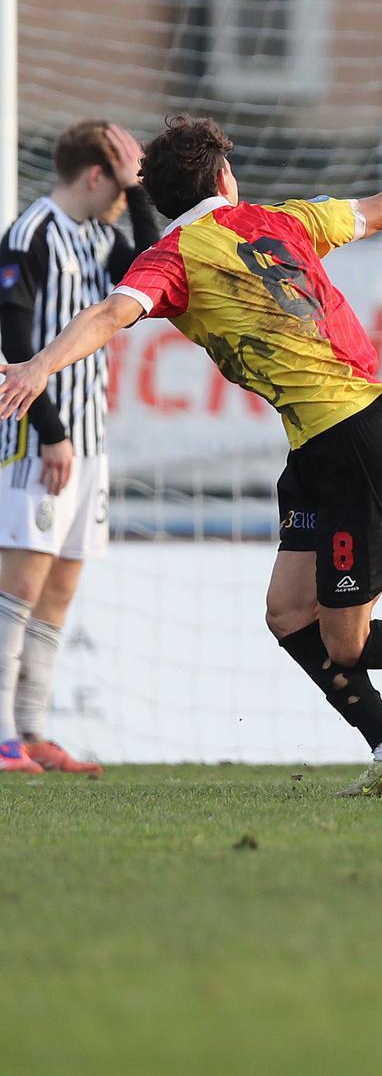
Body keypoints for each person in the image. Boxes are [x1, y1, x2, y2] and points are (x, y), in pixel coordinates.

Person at [0, 116, 382, 795]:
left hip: (358, 442)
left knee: (345, 643)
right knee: (287, 612)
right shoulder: (284, 220)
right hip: (318, 447)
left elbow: (108, 315)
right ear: (224, 178)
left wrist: (39, 365)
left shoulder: (172, 256)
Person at [0, 122, 160, 776]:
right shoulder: (30, 233)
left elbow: (156, 271)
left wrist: (140, 192)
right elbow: (14, 342)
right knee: (20, 582)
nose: (125, 199)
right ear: (97, 176)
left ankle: (32, 729)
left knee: (60, 589)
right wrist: (52, 430)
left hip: (90, 441)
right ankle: (1, 733)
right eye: (120, 185)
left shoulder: (103, 235)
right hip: (37, 436)